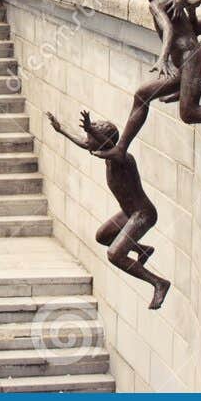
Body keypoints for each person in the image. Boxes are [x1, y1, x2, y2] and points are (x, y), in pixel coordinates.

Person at [45, 110, 170, 309]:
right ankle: (142, 250)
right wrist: (61, 130)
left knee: (114, 255)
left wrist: (91, 128)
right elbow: (85, 143)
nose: (87, 143)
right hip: (129, 213)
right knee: (103, 236)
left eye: (91, 138)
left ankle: (159, 283)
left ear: (102, 140)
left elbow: (109, 145)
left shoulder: (122, 158)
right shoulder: (106, 156)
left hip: (143, 214)